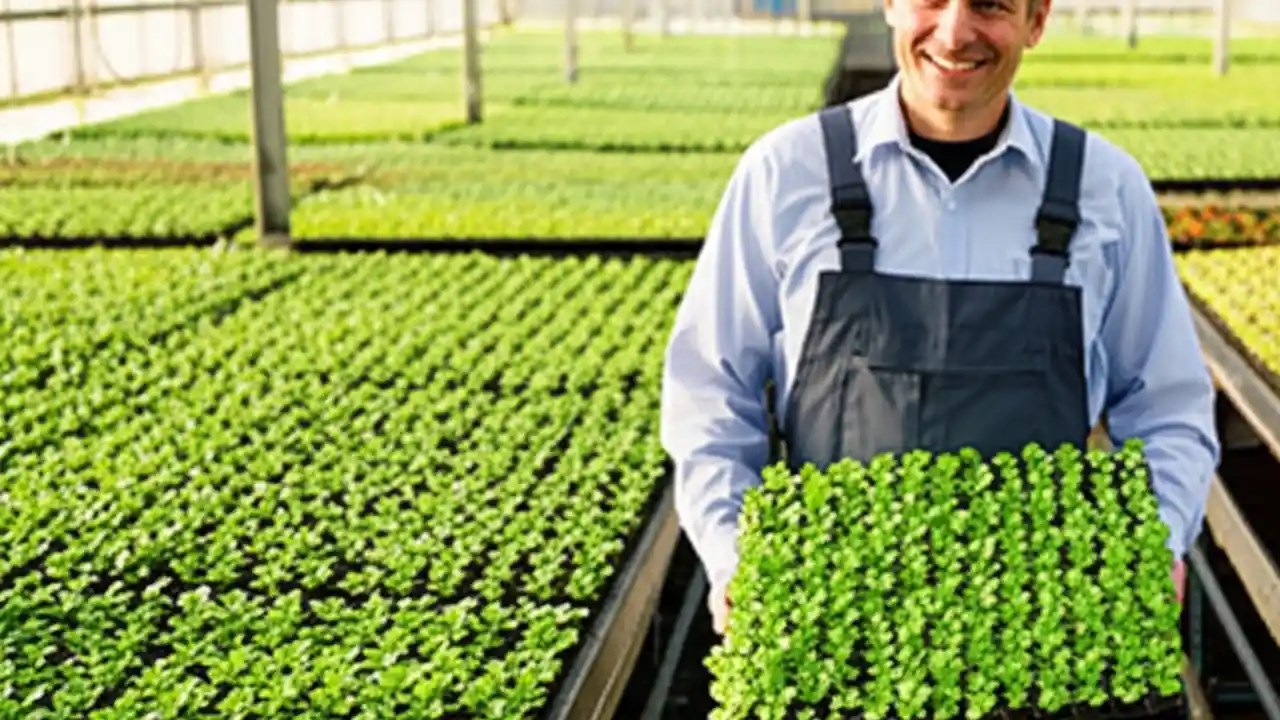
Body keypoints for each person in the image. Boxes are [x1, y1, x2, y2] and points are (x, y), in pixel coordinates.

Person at [659, 0, 1220, 637]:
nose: (955, 32)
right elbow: (709, 390)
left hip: (1039, 632)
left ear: (1037, 21)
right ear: (892, 6)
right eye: (932, 1)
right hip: (827, 626)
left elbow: (1168, 406)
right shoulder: (787, 174)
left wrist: (1154, 541)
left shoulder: (1105, 189)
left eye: (991, 6)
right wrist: (736, 556)